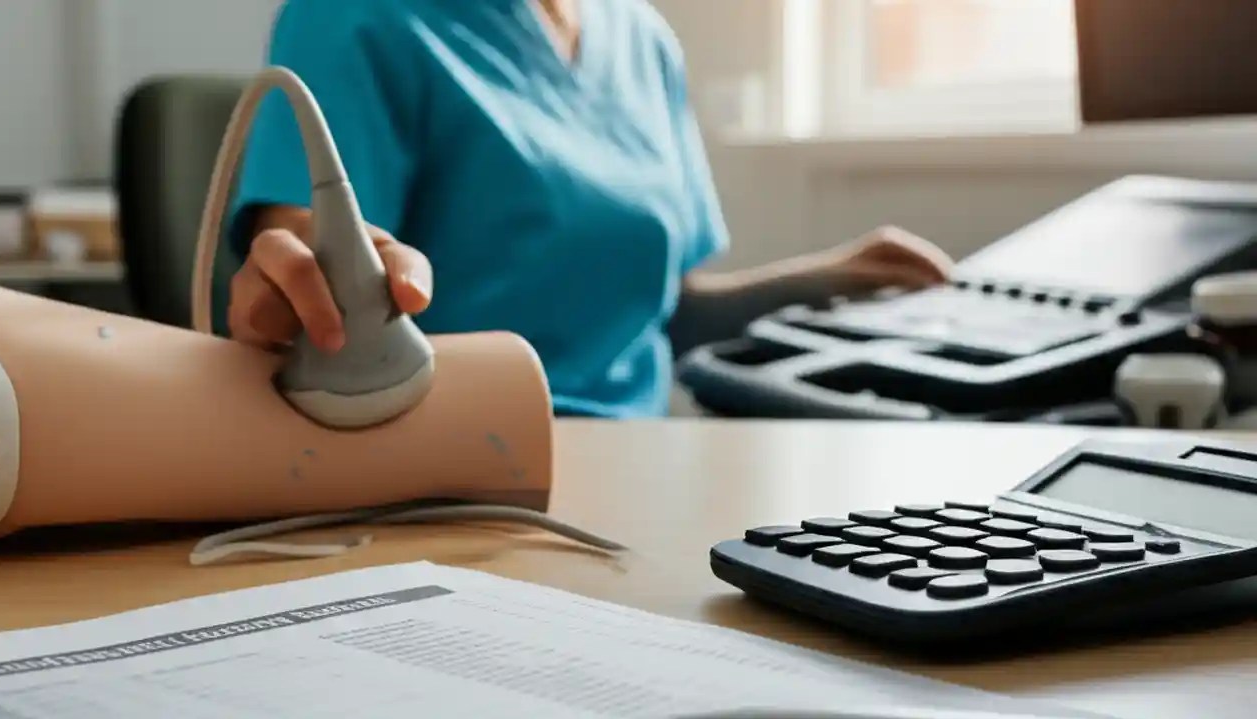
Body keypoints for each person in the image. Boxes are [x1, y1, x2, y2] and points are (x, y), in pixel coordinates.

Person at [227, 0, 954, 418]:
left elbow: (659, 313)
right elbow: (306, 255)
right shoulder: (354, 18)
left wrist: (825, 280)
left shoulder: (642, 37)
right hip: (461, 475)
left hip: (650, 459)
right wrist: (295, 278)